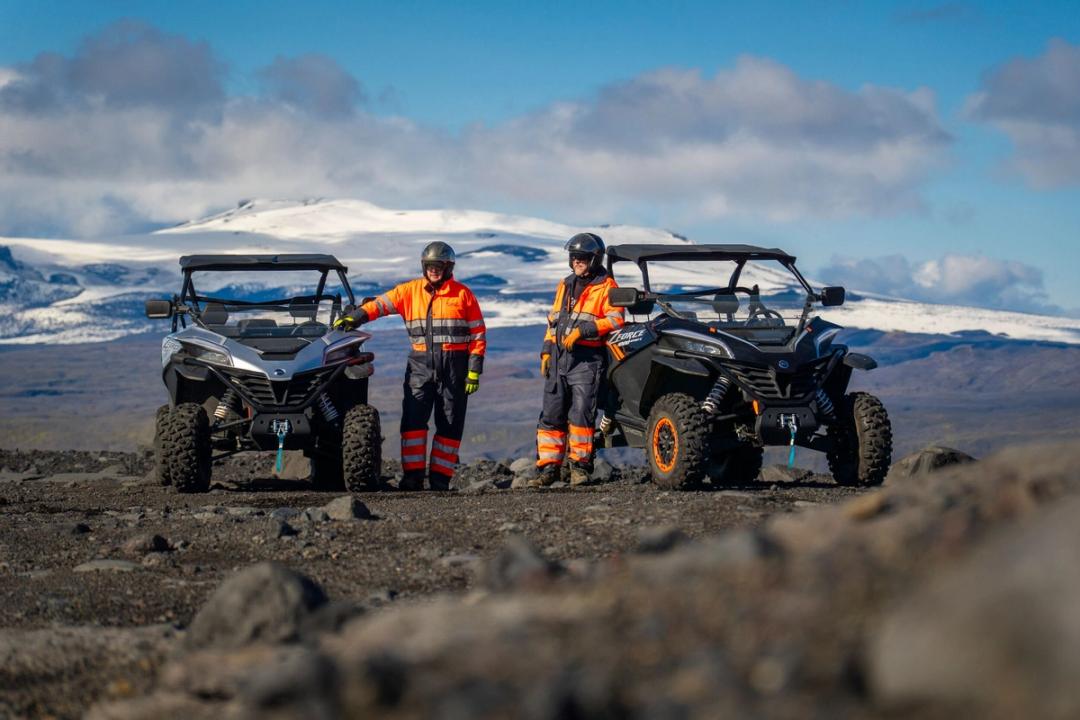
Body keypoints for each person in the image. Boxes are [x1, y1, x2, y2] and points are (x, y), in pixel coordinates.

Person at [334, 242, 485, 490]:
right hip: (419, 365)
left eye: (439, 266)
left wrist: (473, 371)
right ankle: (412, 478)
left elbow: (478, 334)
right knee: (413, 421)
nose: (434, 270)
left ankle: (440, 481)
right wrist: (356, 317)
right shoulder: (409, 291)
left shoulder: (463, 294)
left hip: (454, 368)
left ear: (448, 268)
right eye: (430, 266)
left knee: (450, 423)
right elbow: (380, 305)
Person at [531, 233, 624, 487]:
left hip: (587, 360)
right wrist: (547, 350)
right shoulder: (565, 284)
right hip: (560, 358)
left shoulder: (607, 286)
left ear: (594, 259)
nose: (577, 262)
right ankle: (548, 469)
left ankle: (579, 468)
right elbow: (553, 321)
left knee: (581, 414)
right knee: (551, 414)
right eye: (574, 257)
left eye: (582, 258)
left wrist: (585, 331)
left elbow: (616, 319)